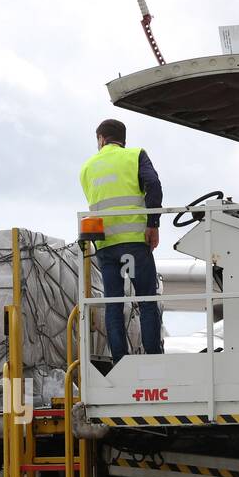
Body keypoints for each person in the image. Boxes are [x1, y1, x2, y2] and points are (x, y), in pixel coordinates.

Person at [80, 118, 164, 362]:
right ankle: (152, 358)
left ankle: (120, 360)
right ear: (122, 139)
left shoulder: (87, 168)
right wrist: (153, 224)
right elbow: (154, 185)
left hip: (105, 246)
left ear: (101, 139)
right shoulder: (135, 155)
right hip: (135, 242)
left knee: (114, 303)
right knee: (146, 301)